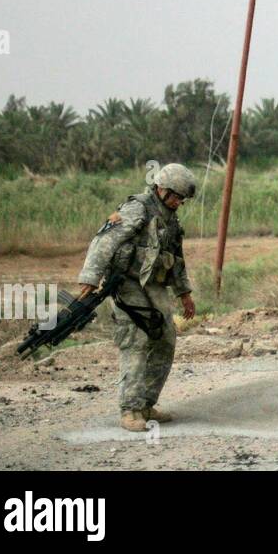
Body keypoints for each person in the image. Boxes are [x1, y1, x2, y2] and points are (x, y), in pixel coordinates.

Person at [77, 162, 197, 431]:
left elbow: (176, 259)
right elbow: (104, 241)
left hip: (153, 285)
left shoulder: (172, 218)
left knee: (166, 338)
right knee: (136, 341)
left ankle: (146, 404)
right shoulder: (137, 207)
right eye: (176, 196)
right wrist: (90, 278)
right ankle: (130, 410)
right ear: (161, 188)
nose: (179, 202)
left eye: (182, 198)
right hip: (127, 284)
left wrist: (184, 293)